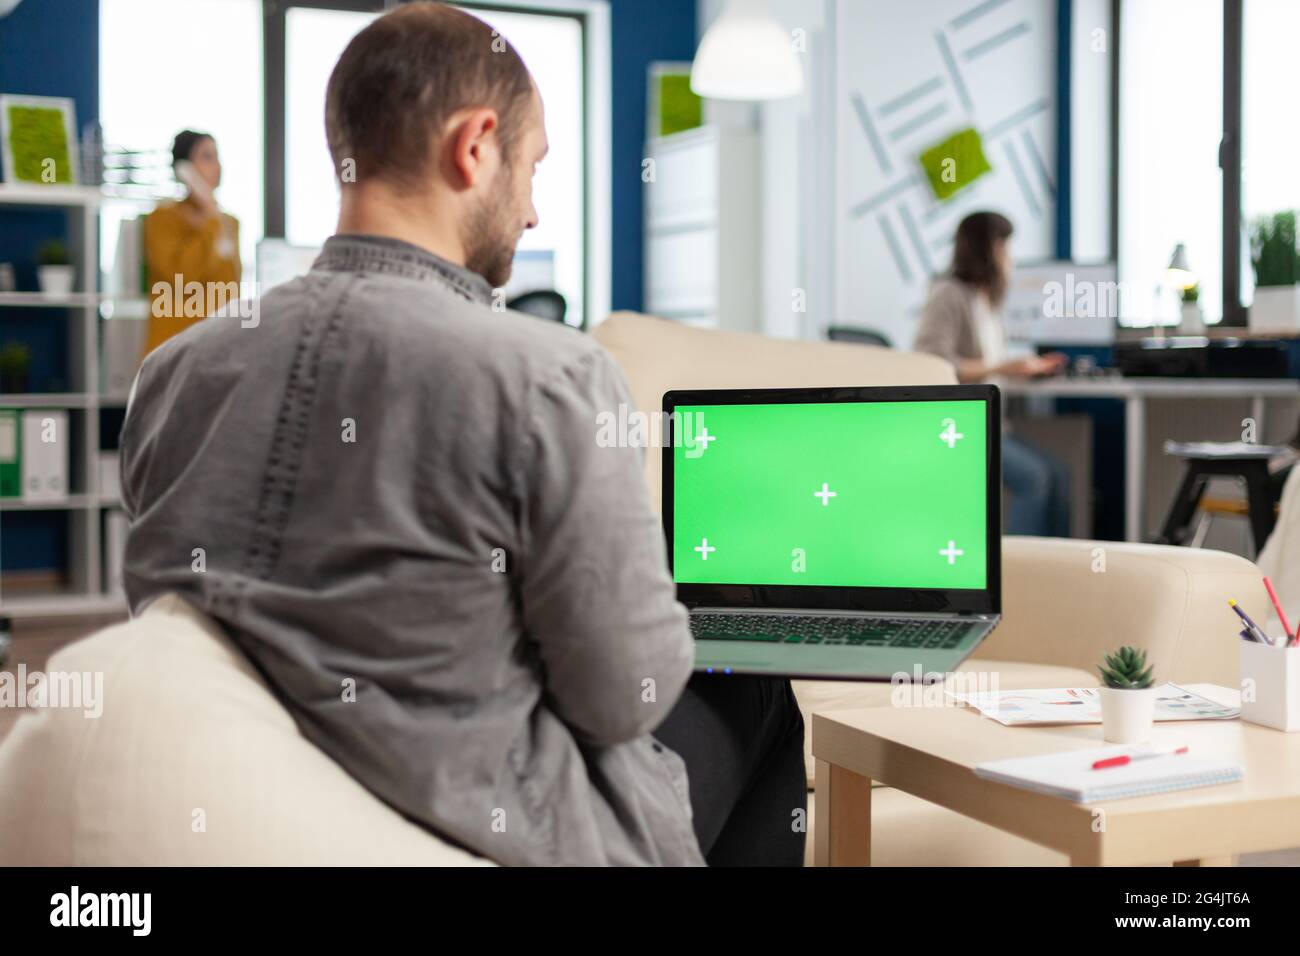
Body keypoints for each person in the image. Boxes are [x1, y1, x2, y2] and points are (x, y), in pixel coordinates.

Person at [120, 2, 804, 867]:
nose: (532, 213)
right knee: (760, 693)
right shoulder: (550, 377)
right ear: (474, 145)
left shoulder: (174, 373)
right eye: (531, 168)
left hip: (243, 811)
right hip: (491, 825)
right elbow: (618, 701)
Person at [914, 211, 1072, 537]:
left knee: (1060, 474)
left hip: (992, 424)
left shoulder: (984, 301)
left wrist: (1025, 368)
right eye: (1005, 246)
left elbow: (984, 363)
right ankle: (1021, 576)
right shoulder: (948, 294)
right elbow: (931, 361)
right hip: (961, 427)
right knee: (1035, 478)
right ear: (990, 248)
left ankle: (1054, 572)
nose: (1009, 257)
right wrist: (1003, 367)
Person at [142, 129, 240, 356]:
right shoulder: (163, 219)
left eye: (217, 156)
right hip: (174, 350)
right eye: (207, 157)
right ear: (183, 169)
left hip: (218, 347)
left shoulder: (230, 223)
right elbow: (182, 277)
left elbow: (230, 291)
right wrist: (209, 216)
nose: (217, 165)